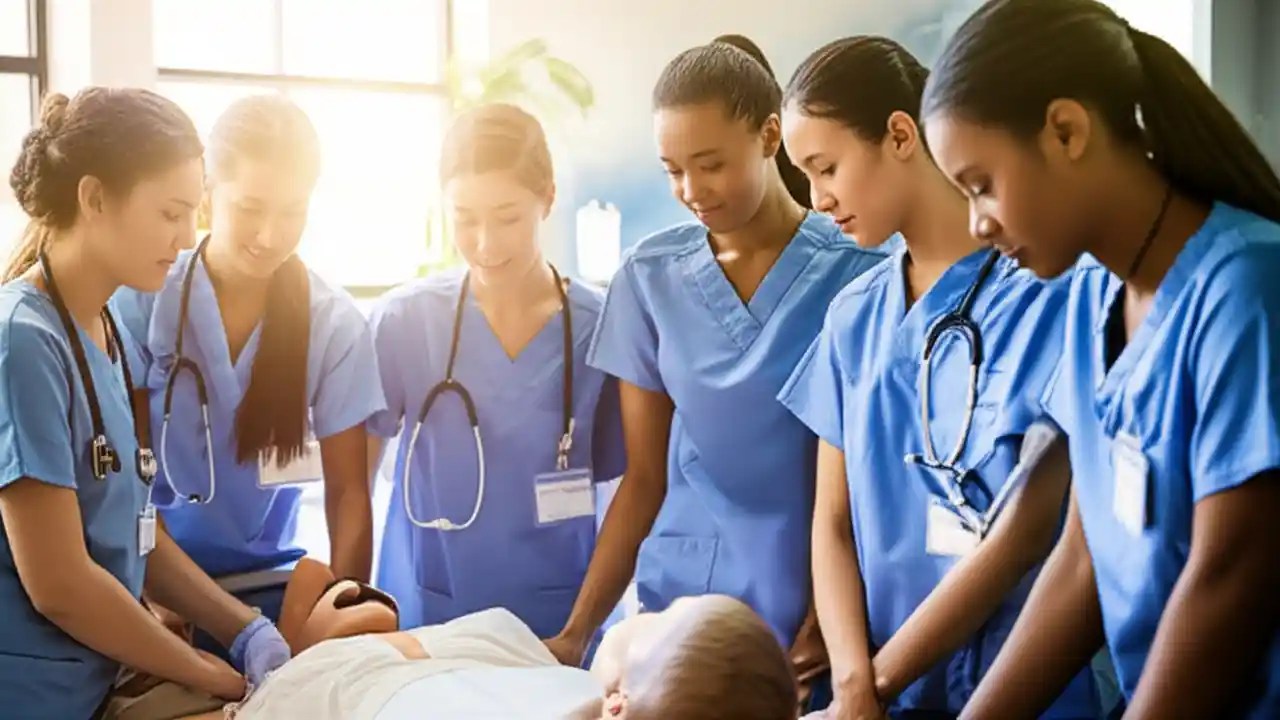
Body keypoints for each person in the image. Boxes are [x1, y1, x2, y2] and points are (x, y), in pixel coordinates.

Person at [919, 0, 1280, 718]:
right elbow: (1082, 560)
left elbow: (1230, 578)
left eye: (981, 184)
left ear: (1066, 130)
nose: (976, 225)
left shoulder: (1247, 290)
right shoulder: (1091, 306)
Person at [545, 36, 889, 704]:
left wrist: (836, 619)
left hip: (809, 608)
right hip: (679, 604)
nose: (691, 192)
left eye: (710, 165)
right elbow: (643, 479)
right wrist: (577, 631)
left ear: (769, 137)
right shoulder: (650, 277)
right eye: (672, 170)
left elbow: (873, 487)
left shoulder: (865, 271)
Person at [776, 35, 1103, 720]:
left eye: (825, 166)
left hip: (1020, 686)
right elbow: (830, 525)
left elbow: (1029, 529)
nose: (817, 198)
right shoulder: (851, 319)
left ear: (900, 133)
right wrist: (851, 682)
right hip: (877, 693)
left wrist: (875, 684)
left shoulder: (1053, 291)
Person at [0, 89, 288, 719]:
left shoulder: (109, 333)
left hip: (91, 685)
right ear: (94, 197)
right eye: (171, 213)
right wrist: (210, 674)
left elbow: (134, 531)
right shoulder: (21, 341)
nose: (188, 238)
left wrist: (245, 630)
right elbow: (61, 586)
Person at [111, 94, 383, 621]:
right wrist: (159, 601)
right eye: (250, 209)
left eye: (292, 212)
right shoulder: (143, 300)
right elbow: (130, 486)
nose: (270, 235)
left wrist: (346, 612)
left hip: (274, 589)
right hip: (156, 586)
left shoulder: (333, 325)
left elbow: (349, 494)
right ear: (208, 196)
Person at [367, 102, 626, 638]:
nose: (485, 243)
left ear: (547, 198)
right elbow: (356, 483)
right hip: (431, 608)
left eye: (508, 217)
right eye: (465, 218)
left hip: (558, 623)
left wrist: (579, 632)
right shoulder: (406, 322)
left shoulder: (601, 328)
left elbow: (632, 485)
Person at [171, 559, 798, 720]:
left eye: (658, 621)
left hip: (356, 683)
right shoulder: (585, 685)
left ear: (618, 702)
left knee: (324, 585)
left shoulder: (313, 680)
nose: (649, 615)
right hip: (475, 661)